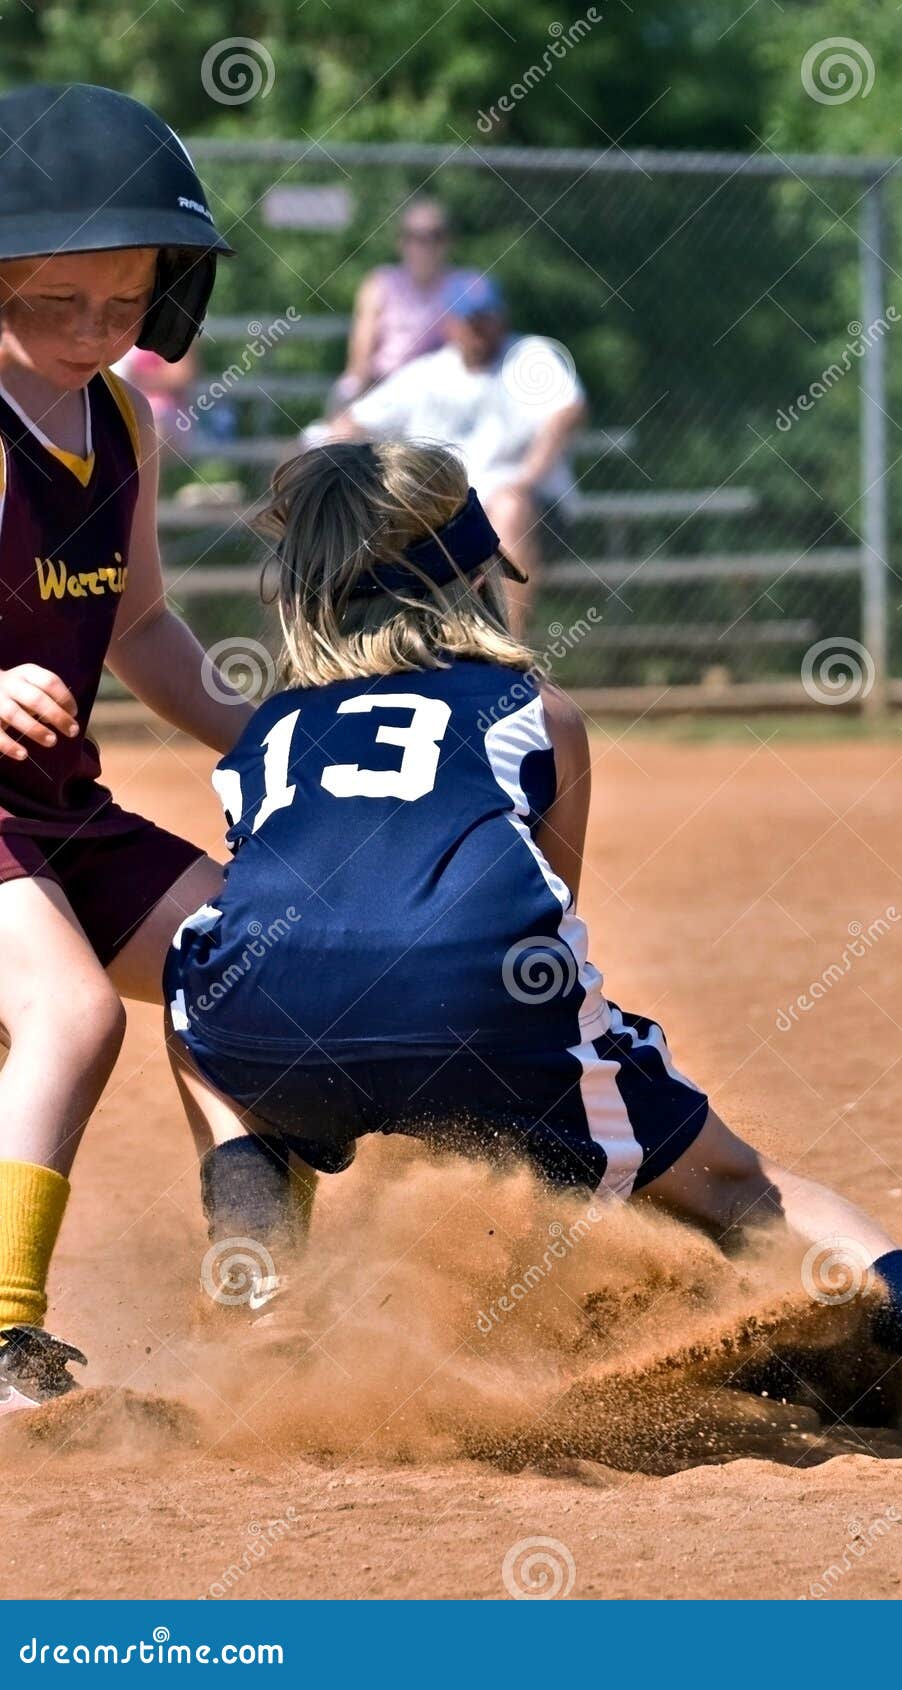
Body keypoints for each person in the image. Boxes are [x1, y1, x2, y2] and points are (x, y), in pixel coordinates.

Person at [161, 438, 902, 1455]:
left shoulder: (267, 734)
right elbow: (540, 915)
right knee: (741, 1188)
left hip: (266, 1016)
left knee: (196, 1022)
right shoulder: (534, 710)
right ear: (472, 582)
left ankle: (261, 1298)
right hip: (483, 997)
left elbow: (294, 900)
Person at [0, 85, 255, 1416]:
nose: (98, 334)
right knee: (74, 1012)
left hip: (52, 806)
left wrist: (265, 733)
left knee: (247, 958)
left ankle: (255, 1273)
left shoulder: (119, 422)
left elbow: (142, 621)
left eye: (126, 304)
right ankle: (1, 1335)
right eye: (58, 303)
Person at [327, 274, 586, 635]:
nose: (479, 328)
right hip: (450, 517)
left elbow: (568, 411)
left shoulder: (529, 357)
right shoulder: (426, 374)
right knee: (387, 515)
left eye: (487, 317)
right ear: (448, 323)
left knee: (509, 504)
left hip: (537, 516)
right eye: (469, 318)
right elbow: (350, 424)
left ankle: (509, 653)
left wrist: (528, 475)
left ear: (503, 318)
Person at [333, 197, 473, 411]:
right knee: (344, 393)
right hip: (383, 386)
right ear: (401, 242)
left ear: (447, 242)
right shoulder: (381, 283)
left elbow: (471, 350)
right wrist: (358, 391)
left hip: (439, 394)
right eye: (414, 237)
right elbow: (361, 350)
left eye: (433, 236)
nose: (423, 246)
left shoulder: (464, 286)